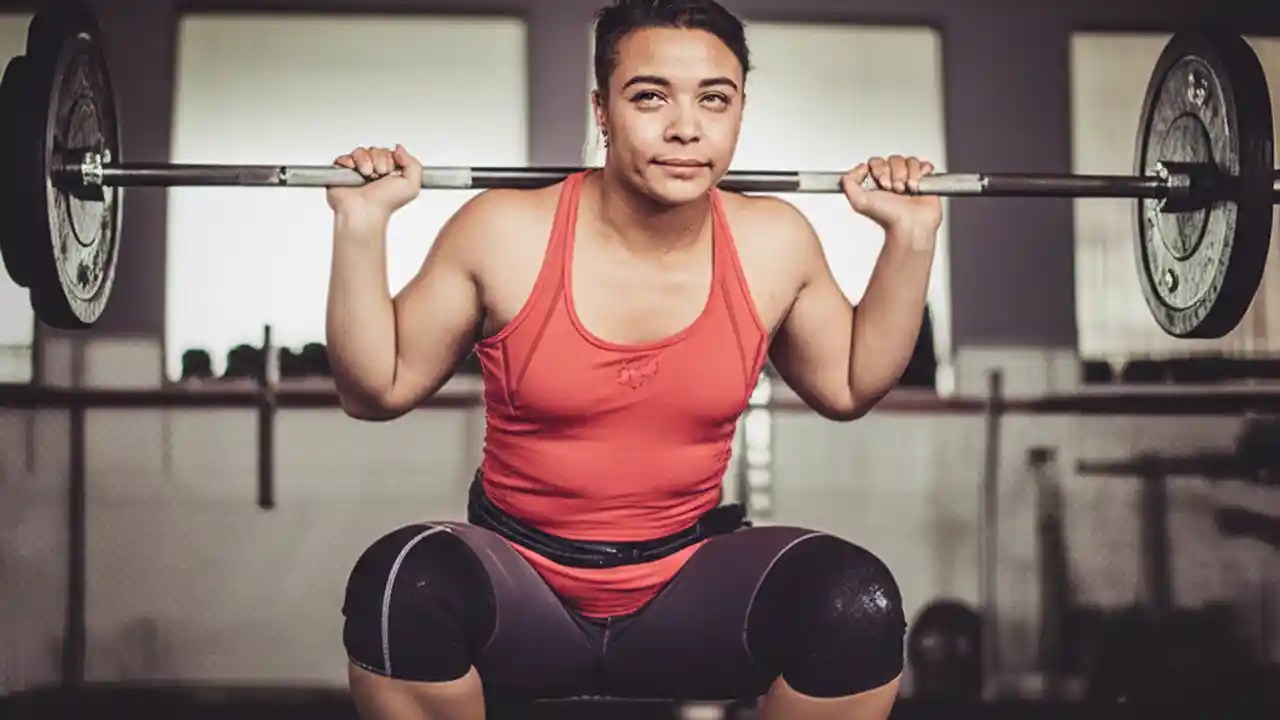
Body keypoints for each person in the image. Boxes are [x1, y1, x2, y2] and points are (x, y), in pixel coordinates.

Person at [324, 1, 942, 718]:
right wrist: (361, 226)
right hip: (521, 597)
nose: (686, 128)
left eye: (716, 99)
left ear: (741, 110)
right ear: (603, 111)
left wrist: (912, 238)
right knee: (405, 584)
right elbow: (377, 387)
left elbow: (849, 383)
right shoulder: (505, 230)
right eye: (650, 97)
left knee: (855, 603)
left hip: (687, 593)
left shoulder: (773, 240)